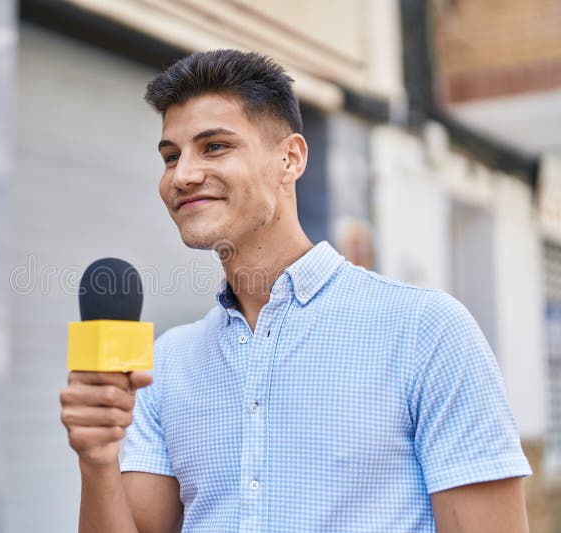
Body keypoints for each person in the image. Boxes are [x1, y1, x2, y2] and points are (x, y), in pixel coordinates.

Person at [59, 49, 532, 532]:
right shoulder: (168, 364)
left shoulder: (425, 331)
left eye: (215, 146)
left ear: (291, 158)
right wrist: (96, 459)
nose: (182, 176)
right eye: (170, 156)